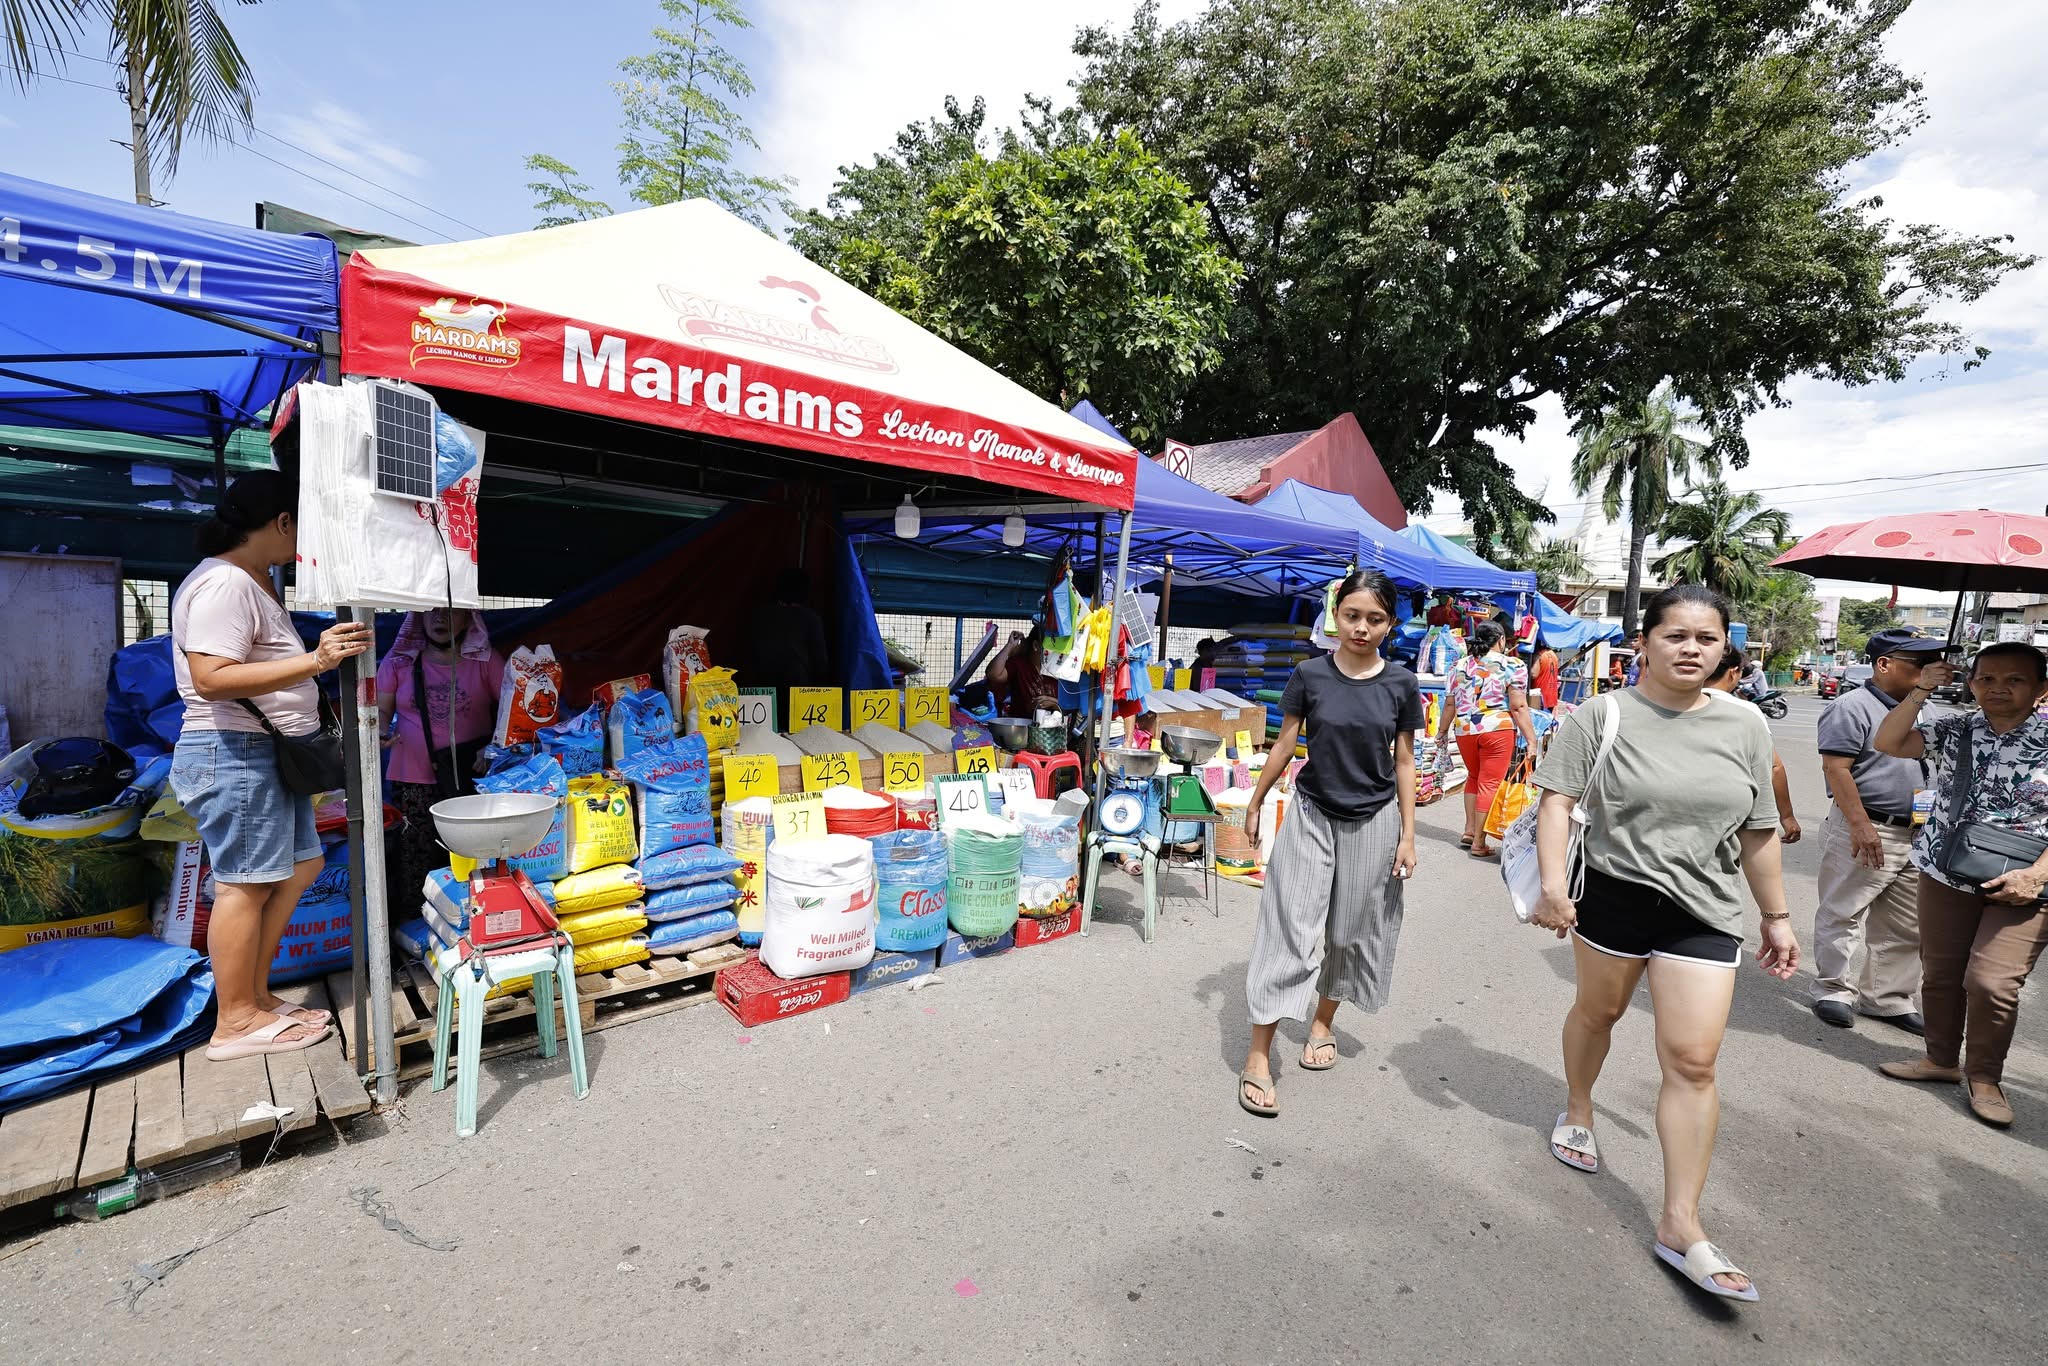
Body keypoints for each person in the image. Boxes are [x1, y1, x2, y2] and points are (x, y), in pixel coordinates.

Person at [1530, 584, 1798, 1302]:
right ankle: (1580, 1107)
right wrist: (1555, 886)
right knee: (1599, 1014)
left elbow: (1758, 830)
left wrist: (1775, 916)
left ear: (1723, 651)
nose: (1690, 649)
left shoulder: (1745, 725)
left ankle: (1681, 1221)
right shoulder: (1604, 713)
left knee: (1693, 1060)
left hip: (1705, 911)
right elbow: (1556, 801)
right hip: (1613, 898)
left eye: (1705, 639)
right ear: (1643, 642)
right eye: (1675, 635)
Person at [169, 472, 371, 1061]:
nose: (303, 541)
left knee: (301, 866)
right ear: (282, 522)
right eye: (300, 525)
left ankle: (254, 996)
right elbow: (212, 678)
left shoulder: (250, 583)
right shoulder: (224, 584)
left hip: (264, 753)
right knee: (245, 883)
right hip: (233, 752)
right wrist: (316, 659)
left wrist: (313, 661)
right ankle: (233, 1022)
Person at [1236, 569, 1420, 1118]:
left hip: (1376, 819)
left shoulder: (1401, 684)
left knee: (1349, 930)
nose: (1362, 628)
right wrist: (1254, 801)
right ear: (1336, 614)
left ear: (1389, 624)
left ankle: (1322, 1023)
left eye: (1375, 619)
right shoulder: (1309, 675)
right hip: (1312, 812)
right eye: (1352, 616)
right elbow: (1286, 742)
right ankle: (1258, 1056)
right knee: (1289, 927)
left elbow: (1405, 761)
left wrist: (1409, 834)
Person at [1873, 642, 2048, 1129]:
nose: (1997, 688)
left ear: (2041, 689)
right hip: (1946, 867)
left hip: (2024, 880)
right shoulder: (1954, 727)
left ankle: (1986, 1076)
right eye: (1985, 678)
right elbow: (1888, 742)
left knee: (1993, 982)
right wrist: (1923, 688)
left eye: (2013, 679)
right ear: (1970, 683)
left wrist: (2037, 874)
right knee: (1941, 972)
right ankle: (1941, 1060)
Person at [1808, 629, 1947, 1034]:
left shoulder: (1925, 708)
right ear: (1884, 664)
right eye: (1920, 664)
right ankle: (1833, 989)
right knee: (1843, 910)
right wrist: (1860, 825)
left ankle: (1886, 998)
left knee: (1907, 922)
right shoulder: (1852, 706)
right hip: (1870, 825)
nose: (1930, 670)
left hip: (1919, 830)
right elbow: (1837, 768)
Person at [377, 609, 507, 915]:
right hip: (411, 779)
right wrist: (380, 729)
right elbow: (381, 709)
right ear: (418, 618)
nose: (439, 619)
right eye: (431, 612)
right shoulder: (399, 662)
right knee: (414, 861)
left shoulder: (486, 662)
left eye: (450, 612)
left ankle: (467, 924)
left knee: (470, 860)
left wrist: (492, 748)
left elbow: (513, 712)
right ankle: (415, 932)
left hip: (469, 778)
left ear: (469, 619)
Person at [1435, 619, 1538, 859]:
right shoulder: (1512, 664)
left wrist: (1441, 732)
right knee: (1489, 783)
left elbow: (1450, 704)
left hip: (1464, 731)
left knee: (1473, 777)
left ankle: (1469, 830)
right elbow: (1518, 705)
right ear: (1501, 639)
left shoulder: (1458, 666)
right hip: (1497, 730)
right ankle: (1479, 842)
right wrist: (1531, 739)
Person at [1708, 648, 1802, 846]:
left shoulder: (1670, 703)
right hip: (1727, 814)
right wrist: (1787, 816)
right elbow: (1774, 767)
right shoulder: (1746, 711)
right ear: (1733, 672)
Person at [746, 568, 831, 728]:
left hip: (763, 690)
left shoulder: (759, 616)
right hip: (799, 689)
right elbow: (820, 660)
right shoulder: (810, 619)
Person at [987, 624, 1055, 718]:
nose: (1056, 652)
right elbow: (993, 675)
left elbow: (1071, 706)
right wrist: (1010, 646)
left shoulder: (1060, 670)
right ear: (1036, 646)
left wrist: (1054, 703)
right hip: (1021, 725)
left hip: (1053, 727)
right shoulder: (1019, 664)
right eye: (1052, 646)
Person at [1530, 639, 1562, 711]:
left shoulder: (1538, 655)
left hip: (1541, 696)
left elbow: (1533, 674)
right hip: (1552, 695)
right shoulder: (1553, 654)